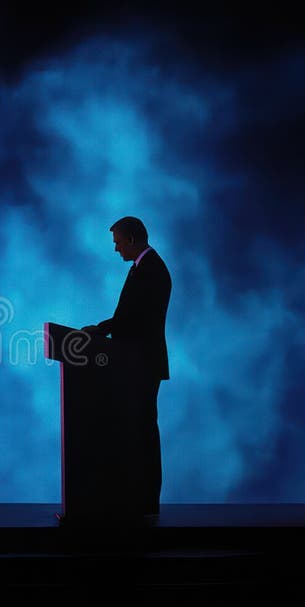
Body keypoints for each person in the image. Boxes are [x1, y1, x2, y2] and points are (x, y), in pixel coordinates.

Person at [82, 216, 171, 515]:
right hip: (136, 362)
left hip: (142, 363)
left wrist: (101, 328)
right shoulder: (143, 268)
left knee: (143, 432)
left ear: (132, 239)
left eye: (118, 242)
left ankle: (146, 502)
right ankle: (139, 500)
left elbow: (137, 318)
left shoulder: (152, 270)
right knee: (139, 431)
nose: (116, 249)